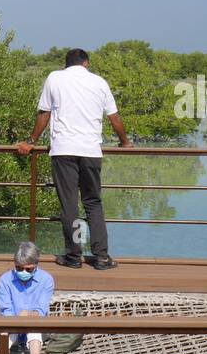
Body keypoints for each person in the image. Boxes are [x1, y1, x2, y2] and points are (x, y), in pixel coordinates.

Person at [17, 48, 131, 270]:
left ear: (66, 64)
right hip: (90, 151)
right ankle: (101, 257)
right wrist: (125, 142)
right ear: (86, 63)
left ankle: (73, 256)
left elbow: (44, 114)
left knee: (69, 206)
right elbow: (114, 117)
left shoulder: (55, 78)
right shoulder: (99, 82)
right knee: (93, 203)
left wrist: (31, 141)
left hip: (63, 151)